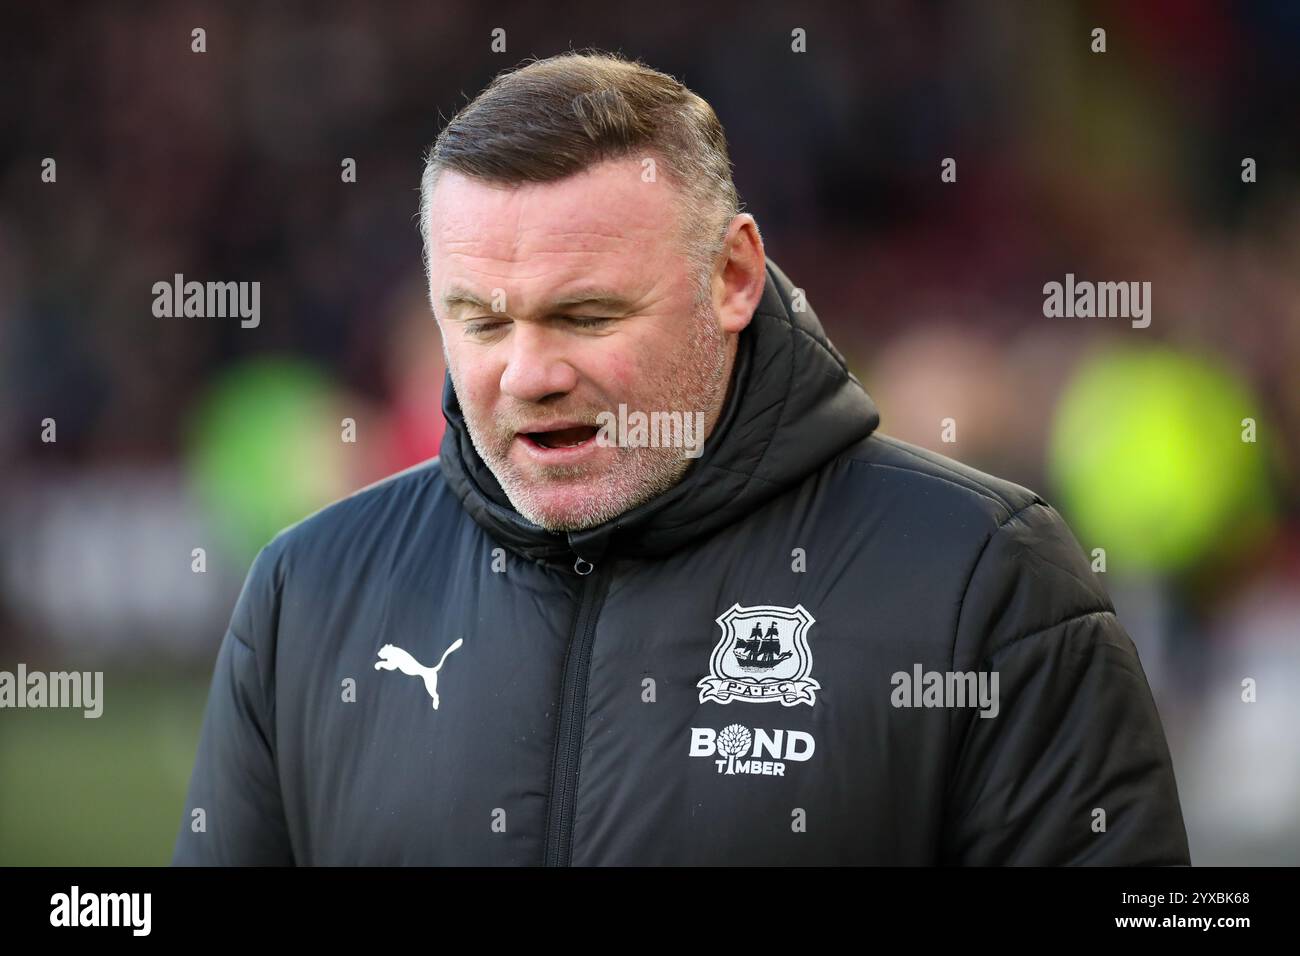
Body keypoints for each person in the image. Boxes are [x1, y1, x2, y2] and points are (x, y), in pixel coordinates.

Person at [173, 51, 1190, 865]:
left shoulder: (986, 579)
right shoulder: (306, 593)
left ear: (733, 276)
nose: (529, 371)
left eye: (585, 312)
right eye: (479, 322)